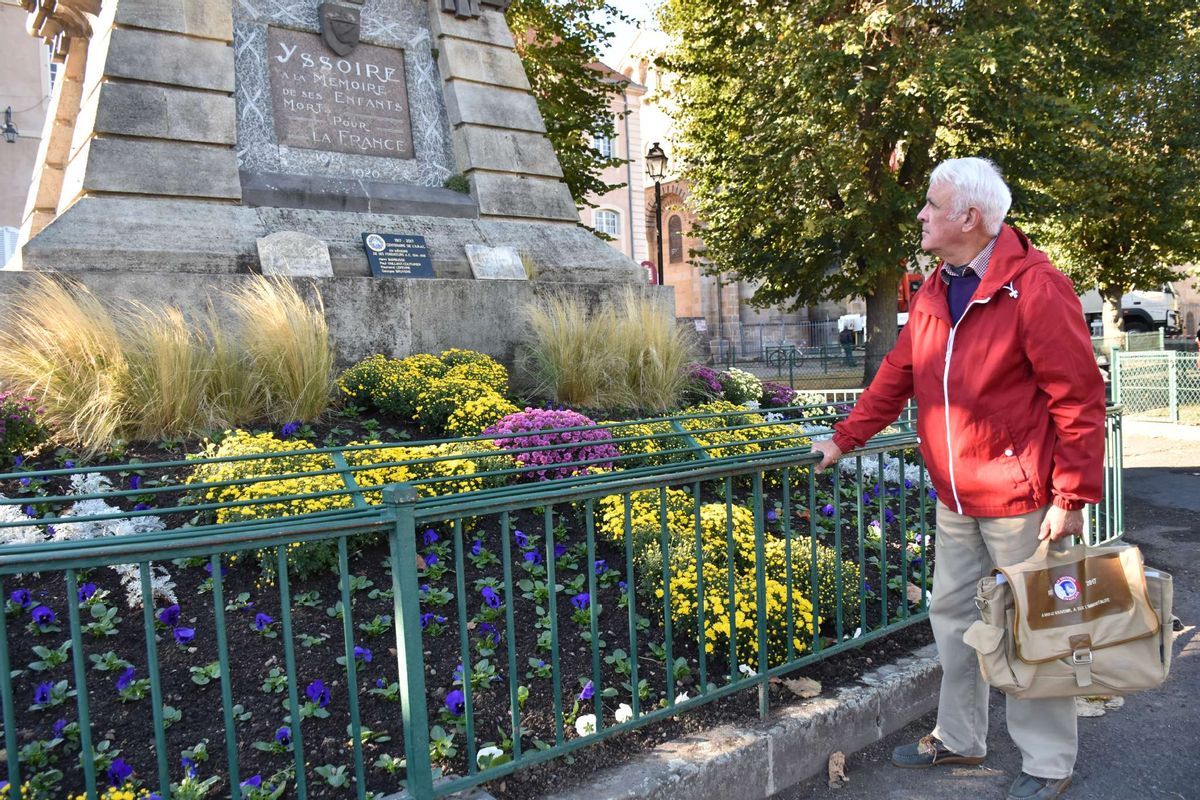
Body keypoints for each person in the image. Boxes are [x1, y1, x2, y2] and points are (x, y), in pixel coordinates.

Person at [811, 157, 1106, 800]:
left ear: (968, 217)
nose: (920, 214)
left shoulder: (1035, 286)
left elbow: (1078, 399)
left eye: (930, 204)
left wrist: (1073, 496)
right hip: (956, 494)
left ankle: (1049, 763)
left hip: (1021, 497)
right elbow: (897, 372)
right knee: (950, 618)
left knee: (1035, 628)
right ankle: (959, 737)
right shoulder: (935, 287)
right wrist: (842, 437)